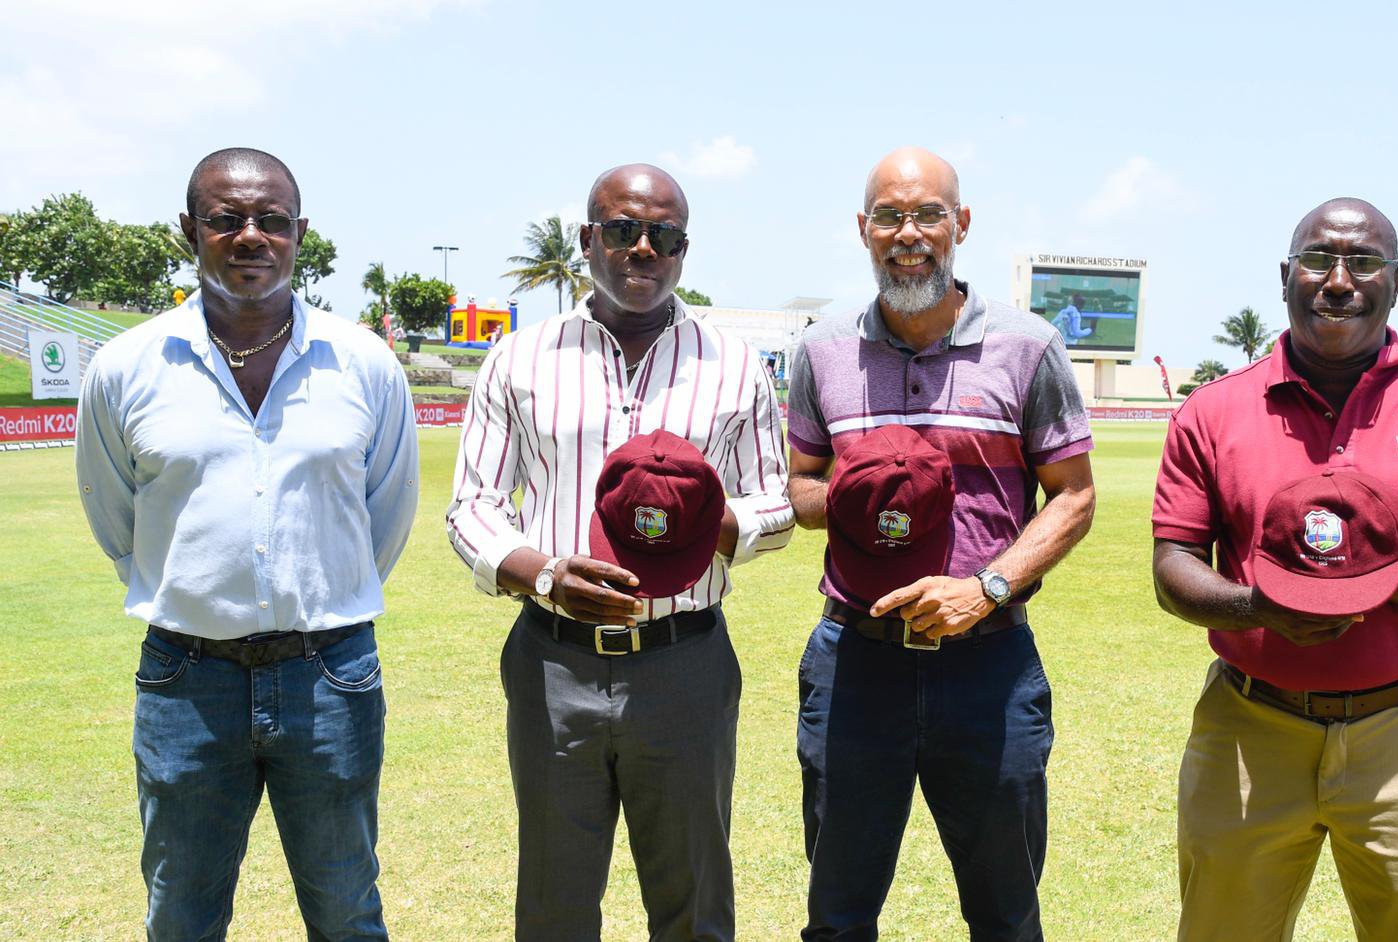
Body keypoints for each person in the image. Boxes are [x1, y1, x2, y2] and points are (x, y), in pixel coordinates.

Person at [1151, 197, 1398, 941]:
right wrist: (1256, 608)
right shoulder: (1213, 410)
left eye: (1363, 262)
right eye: (1317, 259)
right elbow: (1174, 563)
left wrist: (1375, 572)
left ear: (1396, 281)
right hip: (1249, 725)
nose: (1338, 281)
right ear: (1285, 275)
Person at [75, 147, 419, 940]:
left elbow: (387, 511)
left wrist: (319, 595)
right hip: (186, 679)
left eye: (272, 220)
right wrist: (193, 591)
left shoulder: (363, 363)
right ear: (189, 230)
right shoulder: (128, 365)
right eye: (226, 219)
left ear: (301, 233)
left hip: (330, 675)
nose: (251, 236)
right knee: (181, 914)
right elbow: (113, 513)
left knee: (347, 909)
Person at [445, 163, 793, 941]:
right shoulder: (519, 358)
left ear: (683, 249)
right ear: (587, 238)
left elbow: (775, 503)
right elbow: (472, 505)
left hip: (684, 661)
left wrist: (705, 527)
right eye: (624, 230)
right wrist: (545, 574)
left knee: (694, 904)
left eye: (664, 235)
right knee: (554, 905)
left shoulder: (734, 364)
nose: (644, 248)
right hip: (554, 658)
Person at [785, 146, 1097, 940]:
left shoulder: (1028, 345)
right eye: (889, 216)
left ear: (961, 224)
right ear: (863, 228)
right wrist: (851, 494)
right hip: (856, 661)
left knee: (1005, 917)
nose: (909, 234)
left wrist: (986, 588)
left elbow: (1073, 496)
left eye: (928, 215)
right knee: (838, 917)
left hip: (987, 664)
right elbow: (800, 486)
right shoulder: (822, 349)